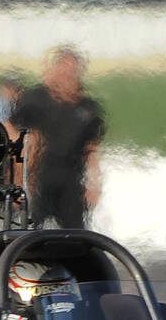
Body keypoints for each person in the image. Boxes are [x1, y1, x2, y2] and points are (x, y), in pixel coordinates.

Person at [9, 45, 106, 228]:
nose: (67, 75)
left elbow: (92, 150)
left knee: (76, 237)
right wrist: (16, 182)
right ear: (54, 70)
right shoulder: (35, 99)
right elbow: (15, 137)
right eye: (63, 69)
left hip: (72, 182)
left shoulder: (88, 108)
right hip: (39, 179)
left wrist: (95, 185)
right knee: (28, 232)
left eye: (72, 71)